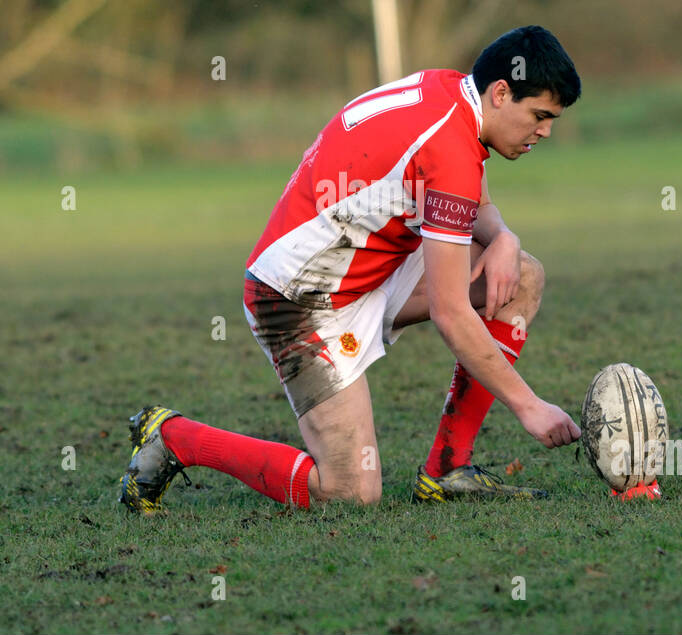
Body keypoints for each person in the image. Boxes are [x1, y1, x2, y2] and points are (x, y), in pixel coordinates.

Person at [121, 25, 591, 514]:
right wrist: (529, 406)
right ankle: (175, 438)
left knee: (522, 276)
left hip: (368, 270)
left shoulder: (451, 92)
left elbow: (475, 193)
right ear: (501, 92)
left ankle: (448, 470)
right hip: (296, 301)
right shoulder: (449, 146)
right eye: (538, 115)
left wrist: (504, 239)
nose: (545, 131)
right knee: (350, 492)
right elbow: (452, 313)